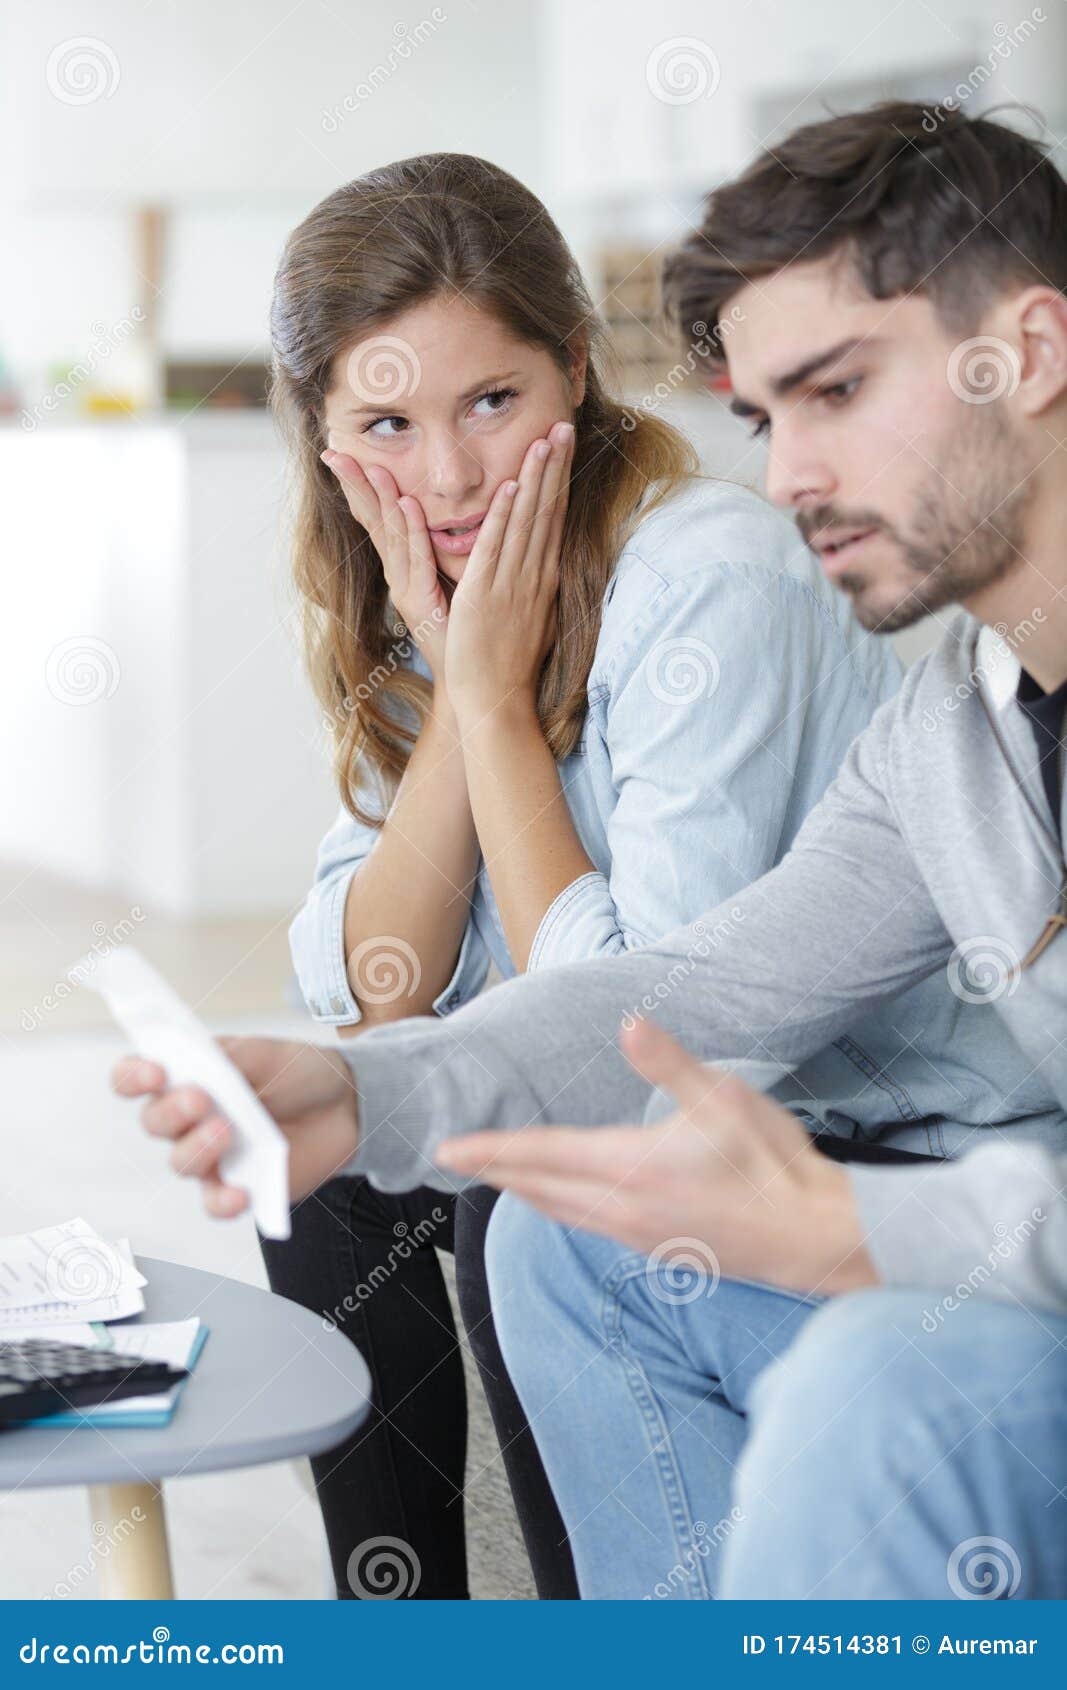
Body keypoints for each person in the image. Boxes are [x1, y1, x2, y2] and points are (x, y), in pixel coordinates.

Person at [112, 104, 1067, 1598]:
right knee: (533, 1236)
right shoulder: (954, 722)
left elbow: (676, 1043)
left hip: (903, 1150)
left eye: (836, 392)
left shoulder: (714, 574)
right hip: (841, 1150)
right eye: (769, 417)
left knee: (814, 1351)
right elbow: (682, 991)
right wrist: (366, 1090)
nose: (788, 477)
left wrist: (853, 1226)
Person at [257, 148, 937, 1600]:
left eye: (492, 402)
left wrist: (494, 707)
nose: (450, 476)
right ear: (324, 438)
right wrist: (464, 685)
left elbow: (646, 1051)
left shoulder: (708, 576)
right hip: (652, 1079)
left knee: (529, 1186)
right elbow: (373, 984)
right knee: (323, 1165)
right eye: (388, 423)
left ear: (575, 369)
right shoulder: (417, 585)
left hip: (834, 1116)